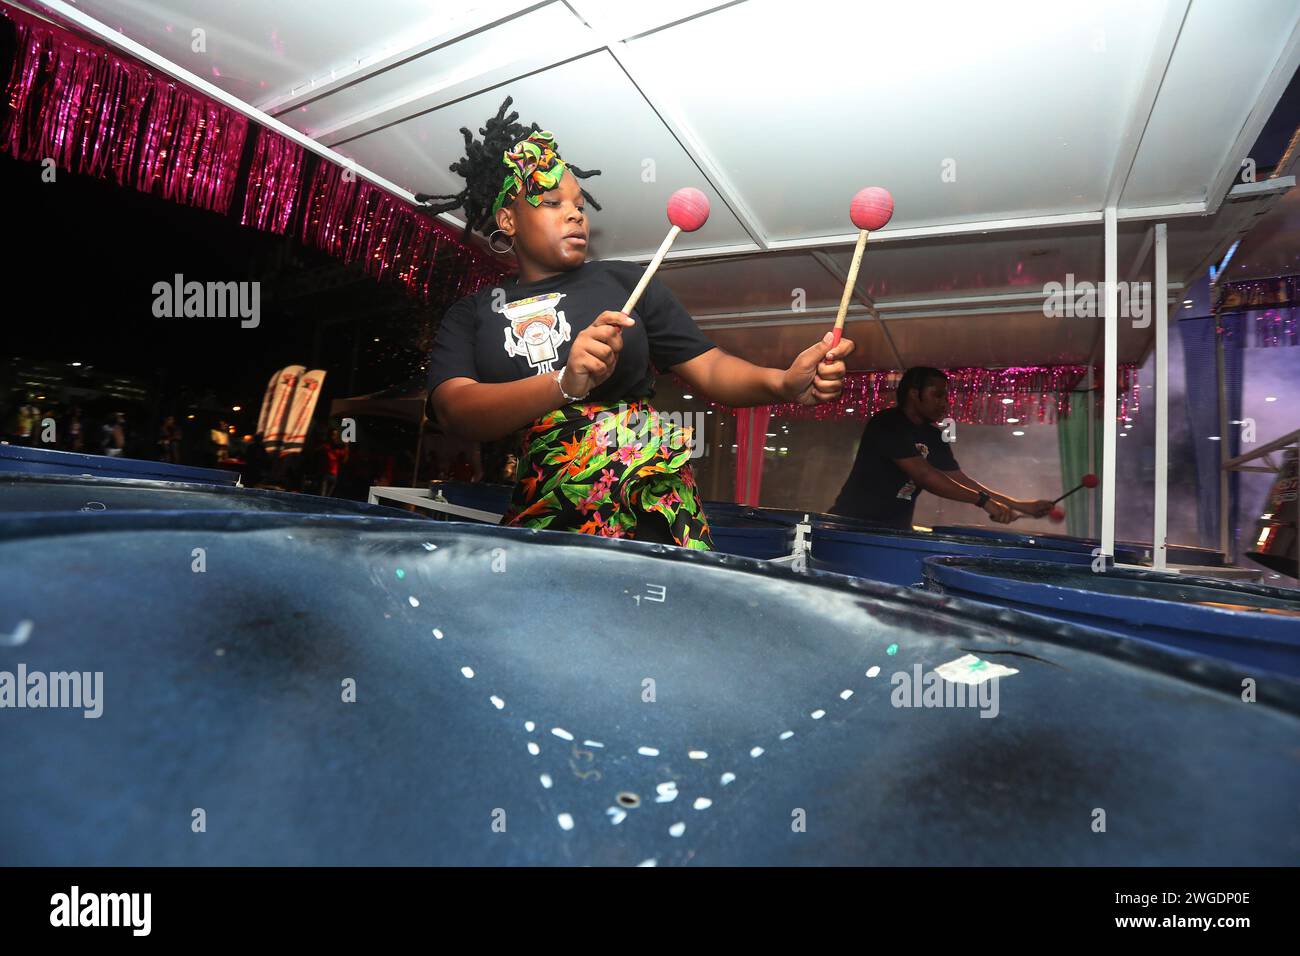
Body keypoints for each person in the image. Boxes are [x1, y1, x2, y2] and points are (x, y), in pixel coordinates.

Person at [423, 101, 852, 549]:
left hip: (652, 498)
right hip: (551, 507)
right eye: (552, 203)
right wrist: (565, 383)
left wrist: (783, 383)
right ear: (508, 220)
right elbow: (455, 409)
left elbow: (709, 367)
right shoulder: (474, 312)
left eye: (579, 204)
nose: (576, 215)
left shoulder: (627, 281)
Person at [829, 367, 1054, 529]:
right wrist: (985, 503)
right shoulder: (887, 423)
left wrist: (1019, 505)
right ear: (914, 394)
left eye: (946, 396)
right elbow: (925, 475)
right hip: (849, 525)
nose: (944, 403)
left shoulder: (934, 436)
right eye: (937, 395)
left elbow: (961, 481)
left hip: (895, 529)